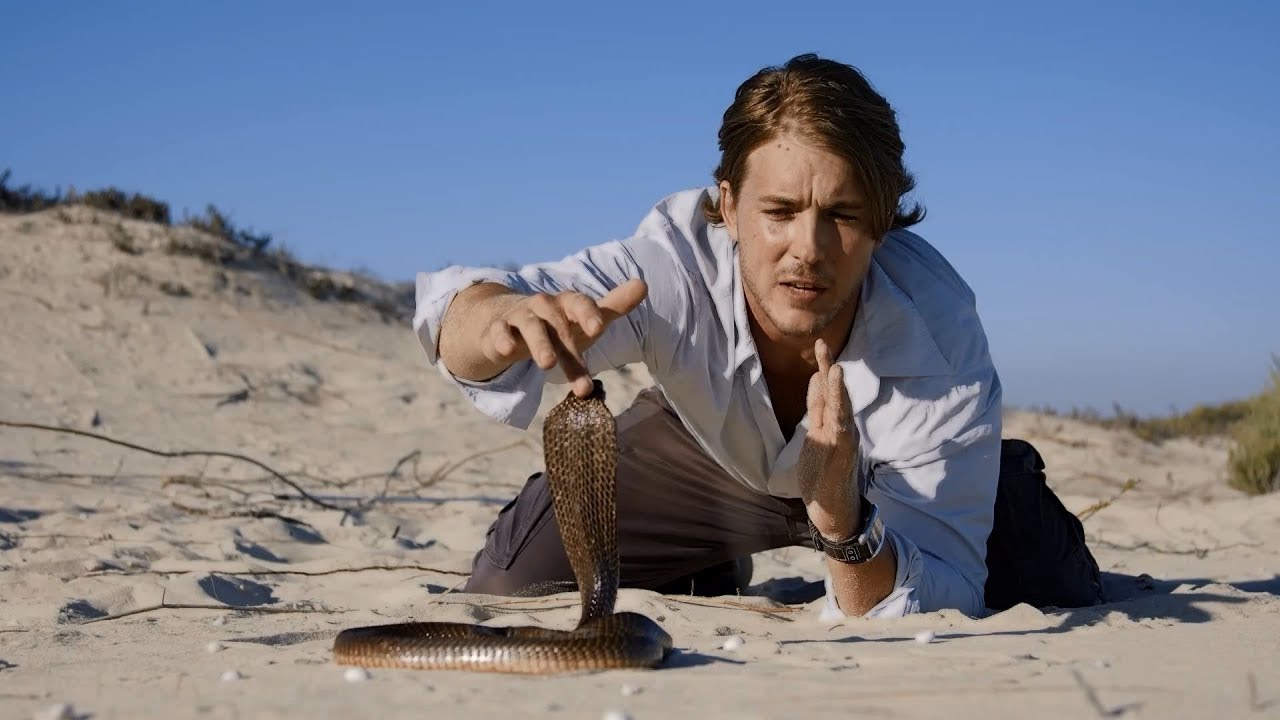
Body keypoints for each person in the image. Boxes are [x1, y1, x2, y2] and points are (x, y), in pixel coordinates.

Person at [412, 53, 1103, 618]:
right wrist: (495, 321)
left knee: (1047, 587)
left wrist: (844, 524)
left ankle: (998, 477)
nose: (808, 248)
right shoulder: (670, 264)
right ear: (730, 207)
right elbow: (458, 309)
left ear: (884, 220)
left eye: (841, 214)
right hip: (708, 456)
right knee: (509, 593)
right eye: (779, 210)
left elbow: (943, 594)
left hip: (878, 482)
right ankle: (713, 555)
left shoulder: (939, 334)